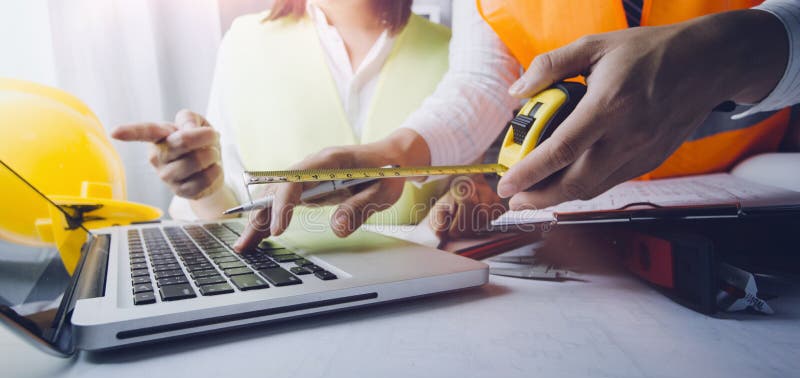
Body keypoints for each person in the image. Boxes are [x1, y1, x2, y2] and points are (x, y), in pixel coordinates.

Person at [233, 0, 800, 252]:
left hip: (759, 213)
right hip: (594, 238)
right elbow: (482, 84)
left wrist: (725, 51)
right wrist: (396, 151)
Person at [111, 0, 453, 227]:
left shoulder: (461, 60)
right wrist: (205, 186)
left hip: (420, 302)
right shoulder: (244, 43)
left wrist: (472, 193)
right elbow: (226, 217)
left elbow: (469, 186)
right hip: (278, 302)